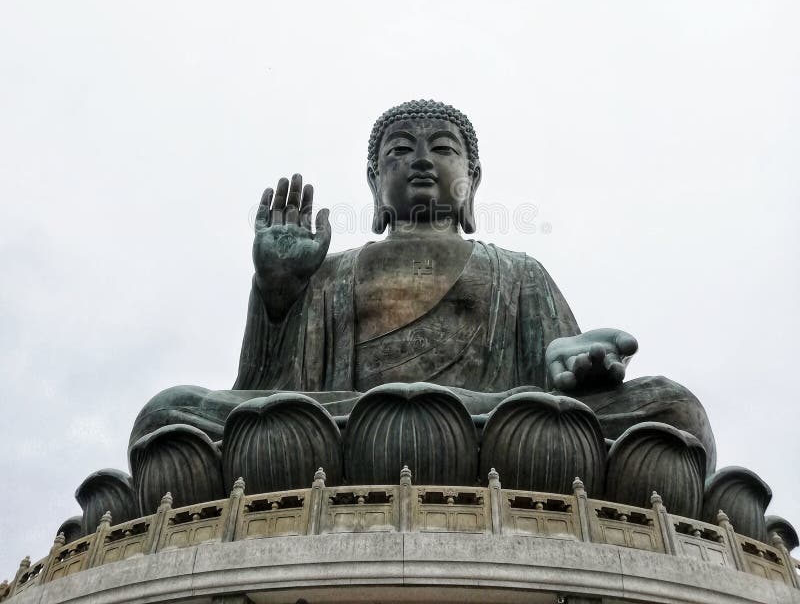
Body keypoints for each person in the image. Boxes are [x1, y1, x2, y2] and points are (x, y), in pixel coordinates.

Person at [131, 100, 715, 472]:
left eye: (441, 149)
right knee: (168, 414)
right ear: (373, 181)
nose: (419, 161)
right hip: (342, 425)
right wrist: (278, 293)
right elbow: (270, 390)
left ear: (472, 179)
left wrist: (571, 367)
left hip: (491, 425)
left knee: (673, 409)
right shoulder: (333, 272)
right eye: (399, 151)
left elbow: (560, 393)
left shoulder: (516, 272)